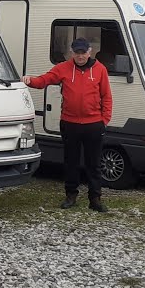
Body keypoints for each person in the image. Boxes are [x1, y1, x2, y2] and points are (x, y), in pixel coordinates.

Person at [21, 37, 114, 212]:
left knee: (93, 163)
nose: (80, 56)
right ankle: (71, 195)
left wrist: (104, 120)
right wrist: (29, 80)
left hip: (94, 124)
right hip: (70, 123)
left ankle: (95, 199)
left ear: (89, 52)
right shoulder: (63, 68)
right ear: (72, 53)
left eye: (83, 52)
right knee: (71, 161)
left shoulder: (100, 70)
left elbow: (106, 97)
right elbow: (45, 80)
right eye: (77, 52)